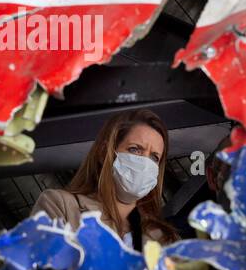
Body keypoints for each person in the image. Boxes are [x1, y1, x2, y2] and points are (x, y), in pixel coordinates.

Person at [33, 107, 179, 249]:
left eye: (154, 157)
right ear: (105, 153)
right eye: (135, 149)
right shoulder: (60, 205)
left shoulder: (166, 239)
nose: (145, 163)